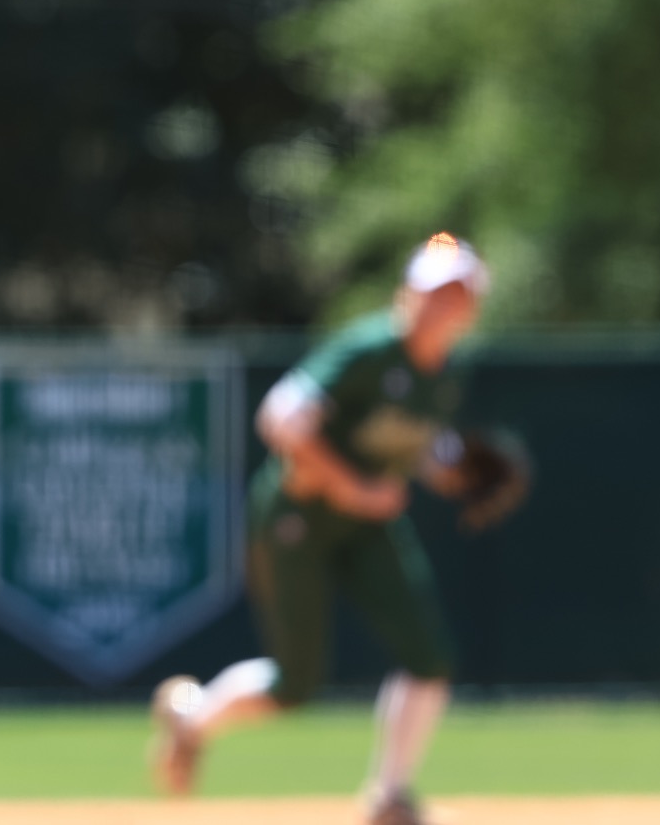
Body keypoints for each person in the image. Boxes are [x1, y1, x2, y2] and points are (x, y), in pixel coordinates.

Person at [148, 233, 493, 825]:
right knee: (295, 684)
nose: (444, 305)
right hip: (297, 517)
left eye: (457, 294)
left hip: (366, 525)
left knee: (429, 656)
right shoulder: (371, 348)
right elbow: (280, 418)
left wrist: (452, 471)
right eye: (434, 292)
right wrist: (352, 487)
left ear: (473, 307)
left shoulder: (445, 372)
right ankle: (191, 715)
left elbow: (402, 441)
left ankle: (390, 796)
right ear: (407, 295)